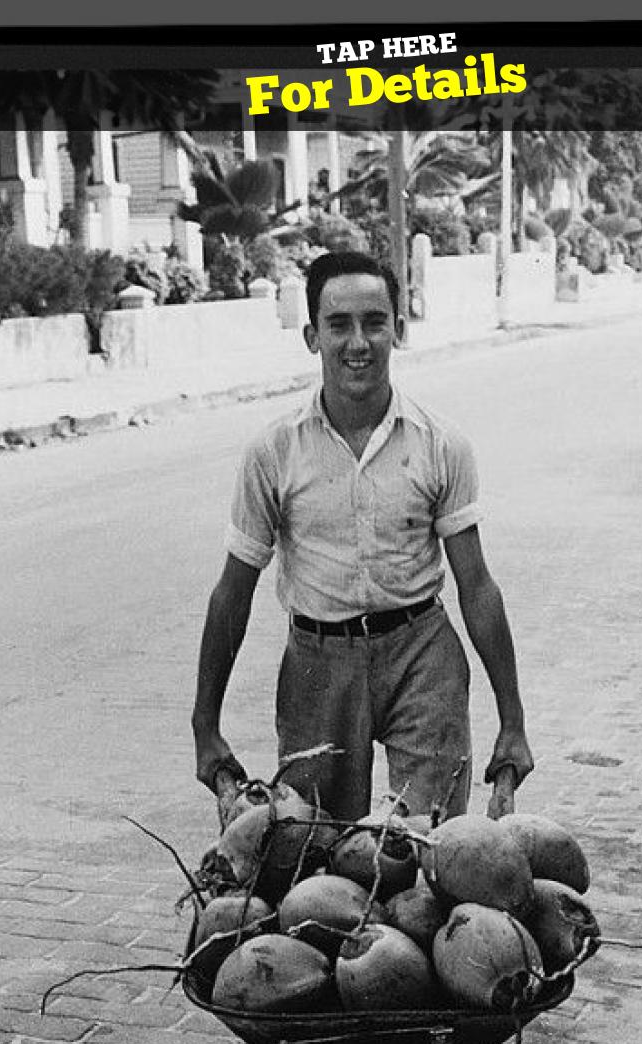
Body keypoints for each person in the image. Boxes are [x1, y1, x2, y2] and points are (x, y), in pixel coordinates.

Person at [192, 249, 533, 824]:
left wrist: (513, 720)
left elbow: (477, 587)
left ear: (398, 330)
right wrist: (205, 724)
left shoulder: (440, 444)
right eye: (339, 325)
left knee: (431, 853)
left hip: (422, 655)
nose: (359, 342)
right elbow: (232, 593)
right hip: (316, 666)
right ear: (311, 336)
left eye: (375, 322)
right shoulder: (273, 452)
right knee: (316, 856)